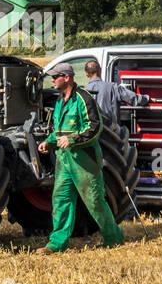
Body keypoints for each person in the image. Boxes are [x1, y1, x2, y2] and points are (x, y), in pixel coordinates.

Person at [35, 62, 124, 253]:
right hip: (64, 161)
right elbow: (59, 131)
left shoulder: (84, 98)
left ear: (66, 77)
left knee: (95, 202)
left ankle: (113, 237)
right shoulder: (59, 101)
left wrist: (74, 139)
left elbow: (94, 127)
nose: (52, 79)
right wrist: (49, 142)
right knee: (60, 201)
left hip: (84, 160)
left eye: (55, 76)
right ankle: (56, 243)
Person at [82, 59, 150, 139]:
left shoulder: (83, 92)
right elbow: (133, 98)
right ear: (100, 70)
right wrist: (148, 99)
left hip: (92, 135)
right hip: (111, 135)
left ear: (86, 74)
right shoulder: (113, 87)